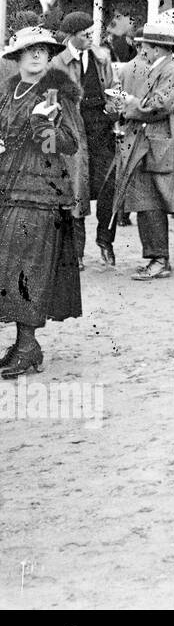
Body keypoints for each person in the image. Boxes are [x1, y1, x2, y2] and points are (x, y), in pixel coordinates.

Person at [101, 21, 174, 280]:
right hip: (151, 146)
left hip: (157, 148)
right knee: (146, 203)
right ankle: (157, 258)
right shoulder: (165, 69)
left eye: (145, 46)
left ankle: (158, 260)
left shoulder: (172, 71)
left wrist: (130, 103)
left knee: (149, 203)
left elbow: (160, 105)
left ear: (154, 49)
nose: (143, 50)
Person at [0, 25, 83, 378]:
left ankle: (28, 344)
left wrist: (42, 129)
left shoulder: (52, 94)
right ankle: (22, 344)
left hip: (38, 190)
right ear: (18, 56)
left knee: (27, 266)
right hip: (7, 185)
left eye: (43, 51)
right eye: (29, 50)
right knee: (8, 265)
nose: (36, 55)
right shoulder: (9, 92)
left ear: (50, 57)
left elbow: (67, 143)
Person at [50, 10, 114, 267]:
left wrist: (115, 106)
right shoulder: (57, 64)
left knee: (110, 185)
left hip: (102, 131)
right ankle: (76, 253)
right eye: (85, 34)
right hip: (74, 133)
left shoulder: (102, 57)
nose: (90, 37)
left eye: (91, 32)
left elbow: (114, 88)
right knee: (76, 191)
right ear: (72, 36)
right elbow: (50, 103)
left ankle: (105, 239)